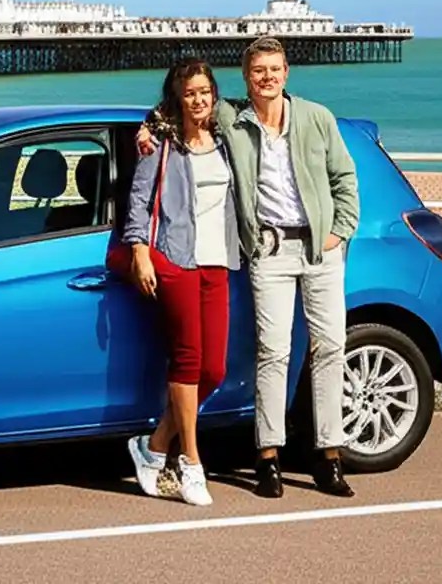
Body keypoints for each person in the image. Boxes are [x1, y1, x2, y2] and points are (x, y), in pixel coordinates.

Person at [138, 37, 359, 498]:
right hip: (270, 250)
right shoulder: (232, 119)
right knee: (273, 353)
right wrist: (148, 127)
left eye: (274, 69)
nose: (267, 77)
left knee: (331, 348)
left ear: (287, 72)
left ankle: (329, 456)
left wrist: (340, 230)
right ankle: (268, 457)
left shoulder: (317, 118)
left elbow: (345, 178)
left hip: (320, 249)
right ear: (245, 78)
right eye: (258, 70)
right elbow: (184, 106)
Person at [122, 58, 241, 507]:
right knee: (188, 359)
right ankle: (191, 461)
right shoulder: (163, 144)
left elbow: (259, 107)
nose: (198, 100)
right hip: (177, 259)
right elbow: (139, 199)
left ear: (213, 94)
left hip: (219, 262)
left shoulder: (227, 141)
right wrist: (138, 250)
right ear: (178, 97)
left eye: (204, 92)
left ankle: (153, 445)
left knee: (214, 370)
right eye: (189, 93)